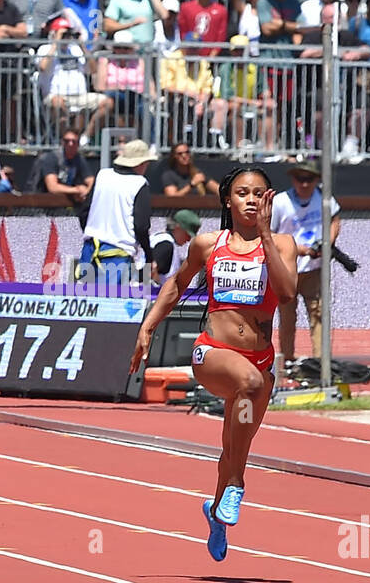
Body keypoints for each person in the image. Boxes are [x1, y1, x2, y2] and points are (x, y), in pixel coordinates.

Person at [130, 166, 297, 561]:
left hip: (260, 359)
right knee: (250, 388)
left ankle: (217, 510)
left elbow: (287, 293)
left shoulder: (284, 244)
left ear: (269, 200)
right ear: (228, 200)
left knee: (233, 445)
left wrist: (268, 236)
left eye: (259, 193)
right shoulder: (208, 244)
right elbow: (176, 284)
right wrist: (148, 327)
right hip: (213, 353)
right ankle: (238, 484)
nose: (251, 200)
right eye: (242, 193)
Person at [270, 157, 340, 377]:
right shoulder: (281, 202)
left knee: (318, 315)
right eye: (300, 179)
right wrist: (298, 249)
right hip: (287, 269)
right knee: (287, 318)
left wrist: (327, 242)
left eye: (309, 179)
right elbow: (270, 235)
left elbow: (335, 219)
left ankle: (320, 362)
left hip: (315, 268)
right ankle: (288, 361)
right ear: (292, 179)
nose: (304, 184)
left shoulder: (325, 200)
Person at [79, 138, 156, 289]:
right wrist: (149, 255)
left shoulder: (102, 175)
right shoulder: (139, 184)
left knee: (85, 300)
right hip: (117, 254)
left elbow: (83, 212)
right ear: (140, 164)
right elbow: (141, 226)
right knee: (111, 304)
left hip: (89, 250)